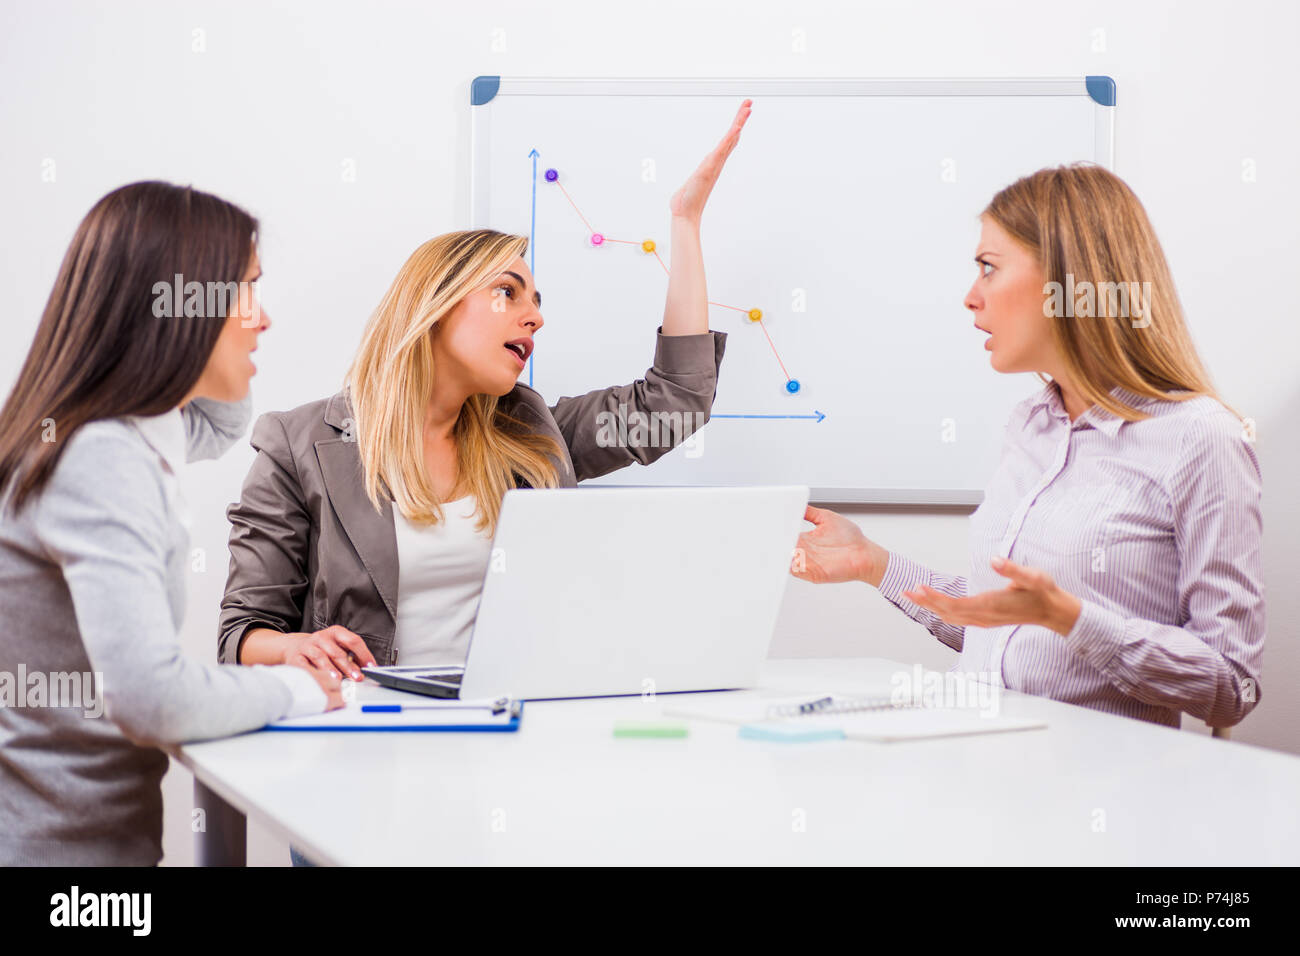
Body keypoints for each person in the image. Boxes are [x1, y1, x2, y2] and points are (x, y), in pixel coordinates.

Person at [218, 100, 751, 679]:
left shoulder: (533, 429)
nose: (534, 318)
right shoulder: (297, 446)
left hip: (510, 725)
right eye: (509, 292)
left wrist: (685, 223)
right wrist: (293, 648)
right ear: (436, 307)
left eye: (538, 302)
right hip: (364, 732)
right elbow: (241, 633)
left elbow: (676, 403)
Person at [793, 163, 1263, 731]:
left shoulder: (1200, 439)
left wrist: (1072, 620)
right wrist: (875, 564)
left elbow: (1231, 687)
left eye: (989, 269)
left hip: (1101, 795)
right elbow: (1003, 629)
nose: (971, 297)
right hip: (982, 769)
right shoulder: (1030, 426)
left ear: (1069, 280)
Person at [0, 182, 341, 866]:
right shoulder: (101, 457)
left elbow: (215, 423)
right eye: (246, 290)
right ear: (182, 303)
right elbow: (153, 697)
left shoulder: (93, 435)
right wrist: (308, 689)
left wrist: (195, 356)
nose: (264, 318)